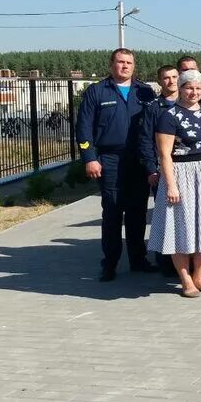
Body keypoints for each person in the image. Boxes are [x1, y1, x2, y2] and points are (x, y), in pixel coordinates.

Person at [76, 48, 157, 282]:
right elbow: (83, 127)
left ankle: (138, 260)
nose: (125, 66)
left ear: (134, 66)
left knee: (138, 213)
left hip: (138, 160)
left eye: (129, 63)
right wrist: (89, 157)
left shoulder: (145, 91)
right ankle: (109, 263)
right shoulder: (97, 92)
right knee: (112, 212)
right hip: (109, 159)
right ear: (112, 65)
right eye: (120, 62)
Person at [148, 70, 201, 297]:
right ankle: (186, 281)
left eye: (198, 88)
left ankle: (200, 277)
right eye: (189, 88)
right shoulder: (169, 115)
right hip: (181, 173)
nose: (194, 92)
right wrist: (171, 185)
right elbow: (164, 154)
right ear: (180, 89)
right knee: (180, 228)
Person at [139, 65, 179, 191]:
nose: (172, 81)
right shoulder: (153, 108)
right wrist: (151, 169)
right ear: (159, 82)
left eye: (174, 77)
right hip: (162, 168)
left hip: (187, 164)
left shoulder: (191, 104)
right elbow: (146, 140)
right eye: (166, 78)